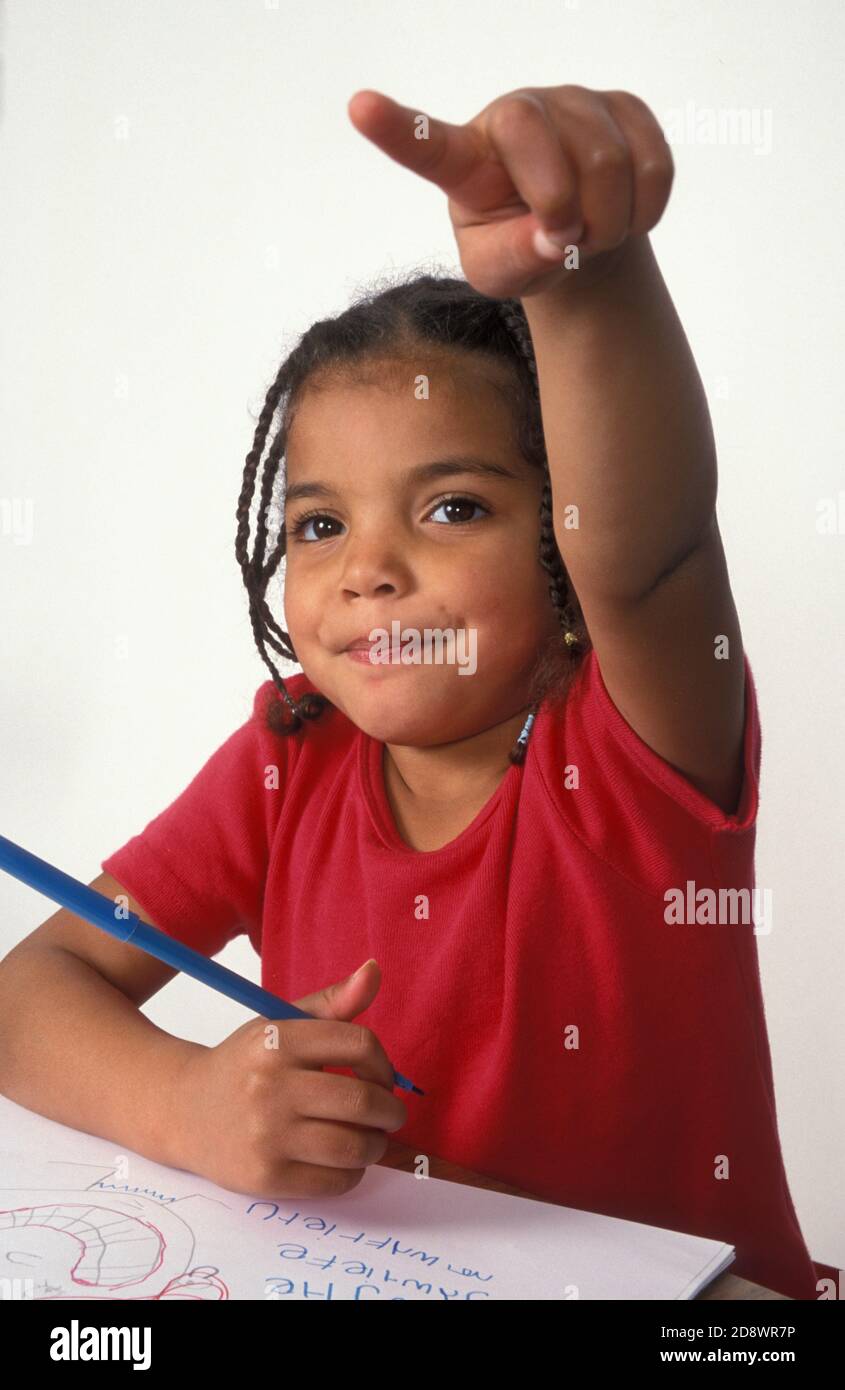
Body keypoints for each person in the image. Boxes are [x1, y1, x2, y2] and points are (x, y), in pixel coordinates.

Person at [0, 84, 819, 1300]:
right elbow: (28, 994)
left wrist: (581, 281)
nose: (367, 569)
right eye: (319, 524)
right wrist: (189, 1102)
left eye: (452, 508)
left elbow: (648, 556)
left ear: (561, 541)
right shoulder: (287, 760)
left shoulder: (635, 742)